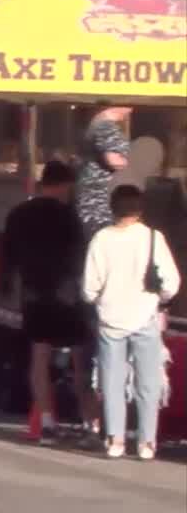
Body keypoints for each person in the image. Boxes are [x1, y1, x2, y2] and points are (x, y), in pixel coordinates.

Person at [1, 161, 96, 444]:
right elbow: (80, 257)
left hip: (34, 295)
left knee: (39, 358)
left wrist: (13, 285)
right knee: (81, 362)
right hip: (67, 296)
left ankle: (46, 423)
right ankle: (90, 424)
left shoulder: (18, 214)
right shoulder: (69, 216)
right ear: (64, 185)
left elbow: (9, 256)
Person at [83, 185, 181, 460]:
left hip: (110, 321)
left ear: (112, 208)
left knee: (112, 382)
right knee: (148, 383)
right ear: (140, 209)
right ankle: (147, 442)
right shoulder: (153, 237)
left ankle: (115, 439)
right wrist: (159, 297)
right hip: (145, 319)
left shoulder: (101, 239)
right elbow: (171, 284)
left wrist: (100, 300)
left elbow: (89, 288)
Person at [76, 107, 132, 240]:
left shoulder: (97, 124)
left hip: (91, 203)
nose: (130, 110)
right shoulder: (106, 126)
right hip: (98, 205)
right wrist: (126, 161)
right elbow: (113, 160)